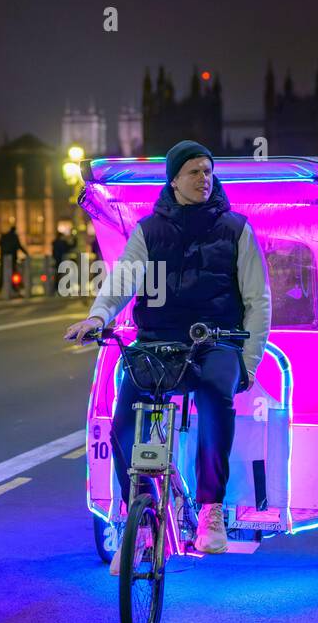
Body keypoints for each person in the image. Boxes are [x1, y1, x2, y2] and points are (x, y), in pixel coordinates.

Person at [63, 140, 272, 572]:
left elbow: (259, 300)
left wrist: (248, 362)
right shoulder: (149, 231)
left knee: (216, 394)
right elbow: (121, 281)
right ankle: (138, 517)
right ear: (173, 179)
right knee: (124, 419)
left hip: (219, 340)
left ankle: (211, 509)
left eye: (208, 171)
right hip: (159, 341)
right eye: (194, 171)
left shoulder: (236, 229)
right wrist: (98, 317)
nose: (204, 178)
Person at [0, 224, 29, 291]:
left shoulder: (4, 236)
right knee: (13, 273)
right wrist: (26, 253)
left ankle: (0, 287)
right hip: (12, 258)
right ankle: (13, 287)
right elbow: (19, 246)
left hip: (3, 258)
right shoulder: (14, 237)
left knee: (3, 272)